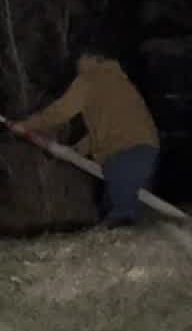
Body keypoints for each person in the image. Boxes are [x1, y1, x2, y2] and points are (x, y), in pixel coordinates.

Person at [12, 43, 161, 226]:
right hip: (147, 149)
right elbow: (102, 131)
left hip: (123, 152)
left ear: (88, 58)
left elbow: (60, 112)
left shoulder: (90, 78)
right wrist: (76, 150)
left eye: (78, 60)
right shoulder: (119, 81)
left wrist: (26, 125)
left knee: (120, 213)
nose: (77, 66)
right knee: (124, 206)